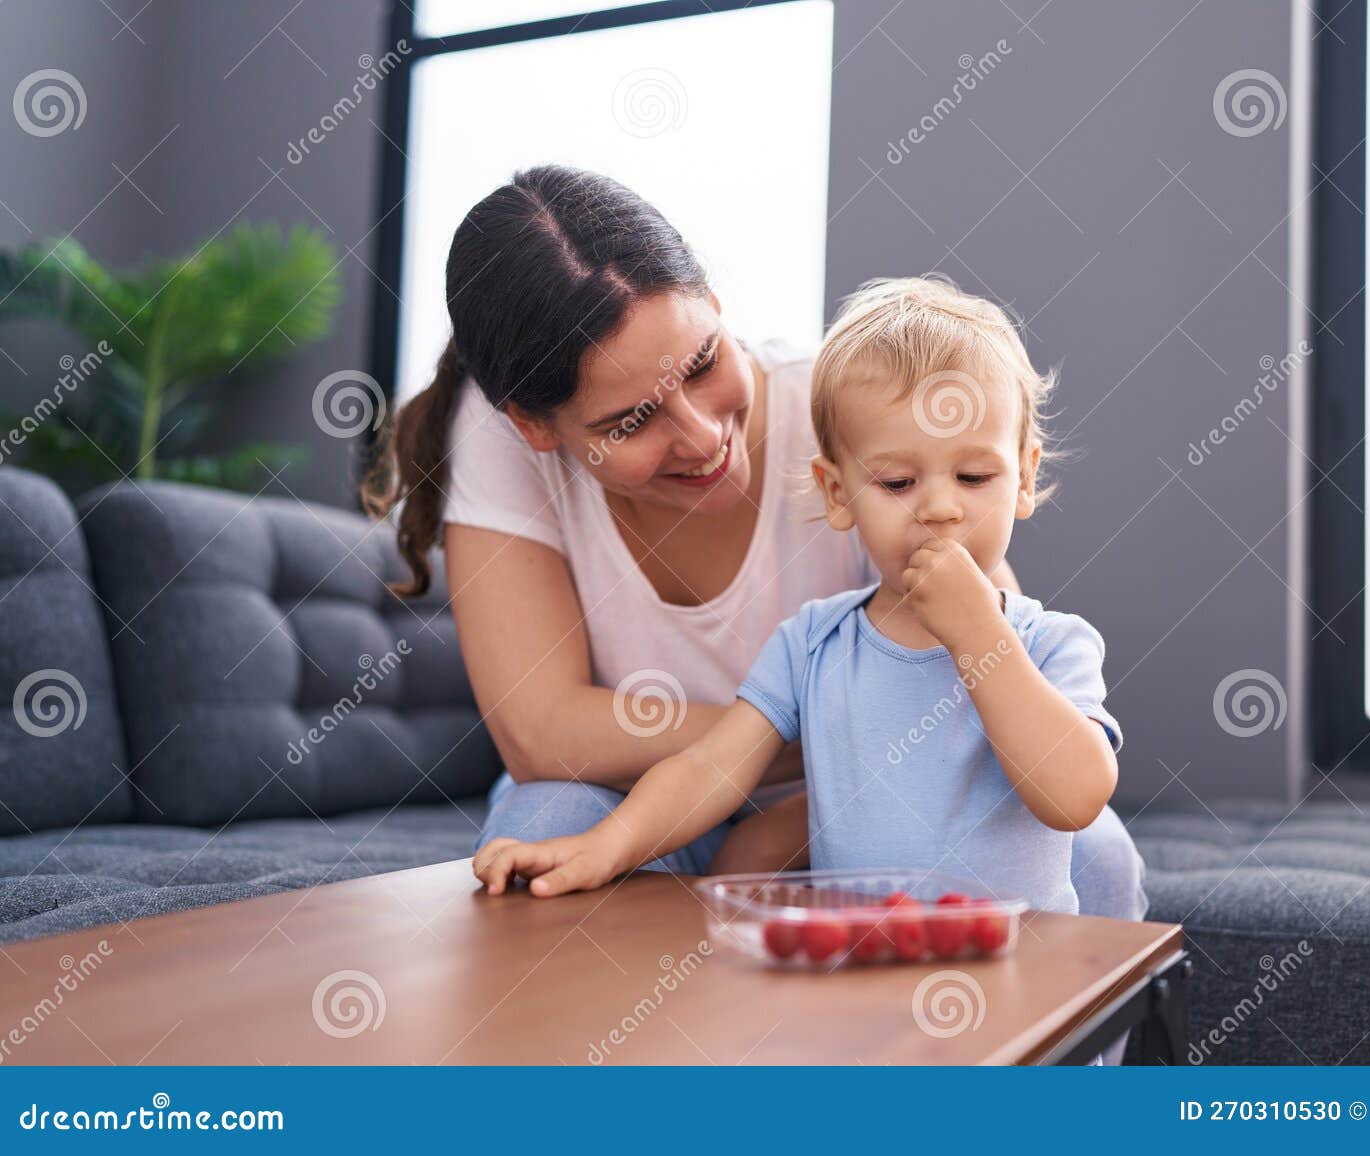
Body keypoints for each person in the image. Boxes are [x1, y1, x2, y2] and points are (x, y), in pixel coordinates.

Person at [363, 165, 1146, 927]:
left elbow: (1026, 722)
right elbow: (559, 737)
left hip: (877, 800)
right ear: (534, 426)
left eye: (702, 363)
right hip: (640, 788)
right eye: (631, 421)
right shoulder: (810, 645)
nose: (703, 438)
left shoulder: (857, 408)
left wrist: (833, 790)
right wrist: (618, 844)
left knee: (1096, 856)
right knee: (549, 837)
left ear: (714, 302)